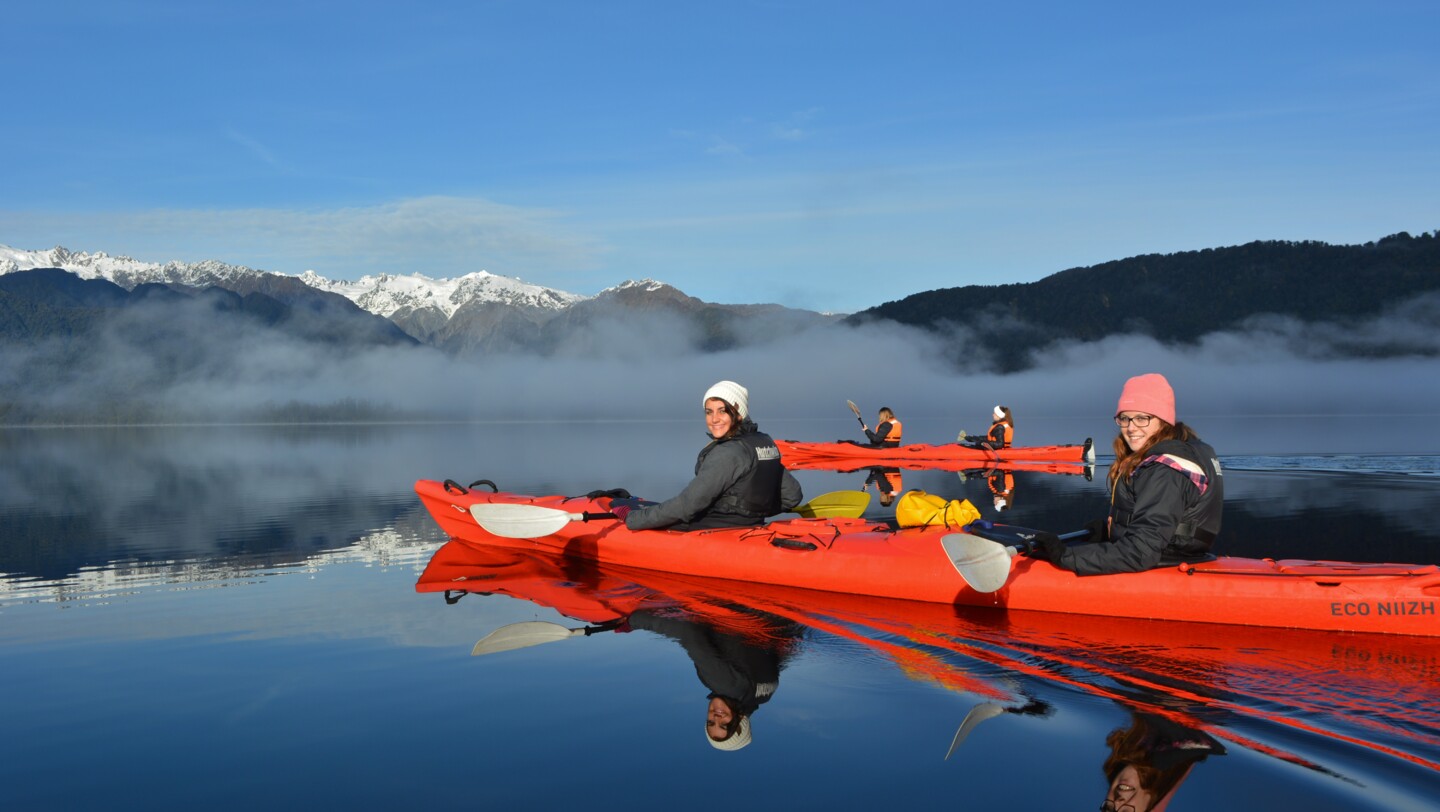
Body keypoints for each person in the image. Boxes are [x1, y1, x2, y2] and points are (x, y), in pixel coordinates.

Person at [1034, 373, 1223, 575]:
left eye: (1142, 418)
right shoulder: (1187, 449)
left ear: (1163, 420)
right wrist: (1112, 532)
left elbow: (1141, 552)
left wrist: (1066, 557)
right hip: (1181, 555)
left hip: (1164, 562)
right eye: (1124, 418)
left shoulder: (1164, 470)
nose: (1131, 428)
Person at [615, 380, 804, 531]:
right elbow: (792, 496)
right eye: (709, 412)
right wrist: (753, 513)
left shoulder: (729, 452)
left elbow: (687, 506)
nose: (714, 419)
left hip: (716, 528)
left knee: (647, 519)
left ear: (739, 414)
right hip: (751, 526)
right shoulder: (764, 443)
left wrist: (633, 519)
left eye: (723, 411)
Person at [1100, 712, 1226, 811]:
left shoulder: (1138, 741)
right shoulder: (1178, 745)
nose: (1117, 802)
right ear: (1151, 802)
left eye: (1109, 809)